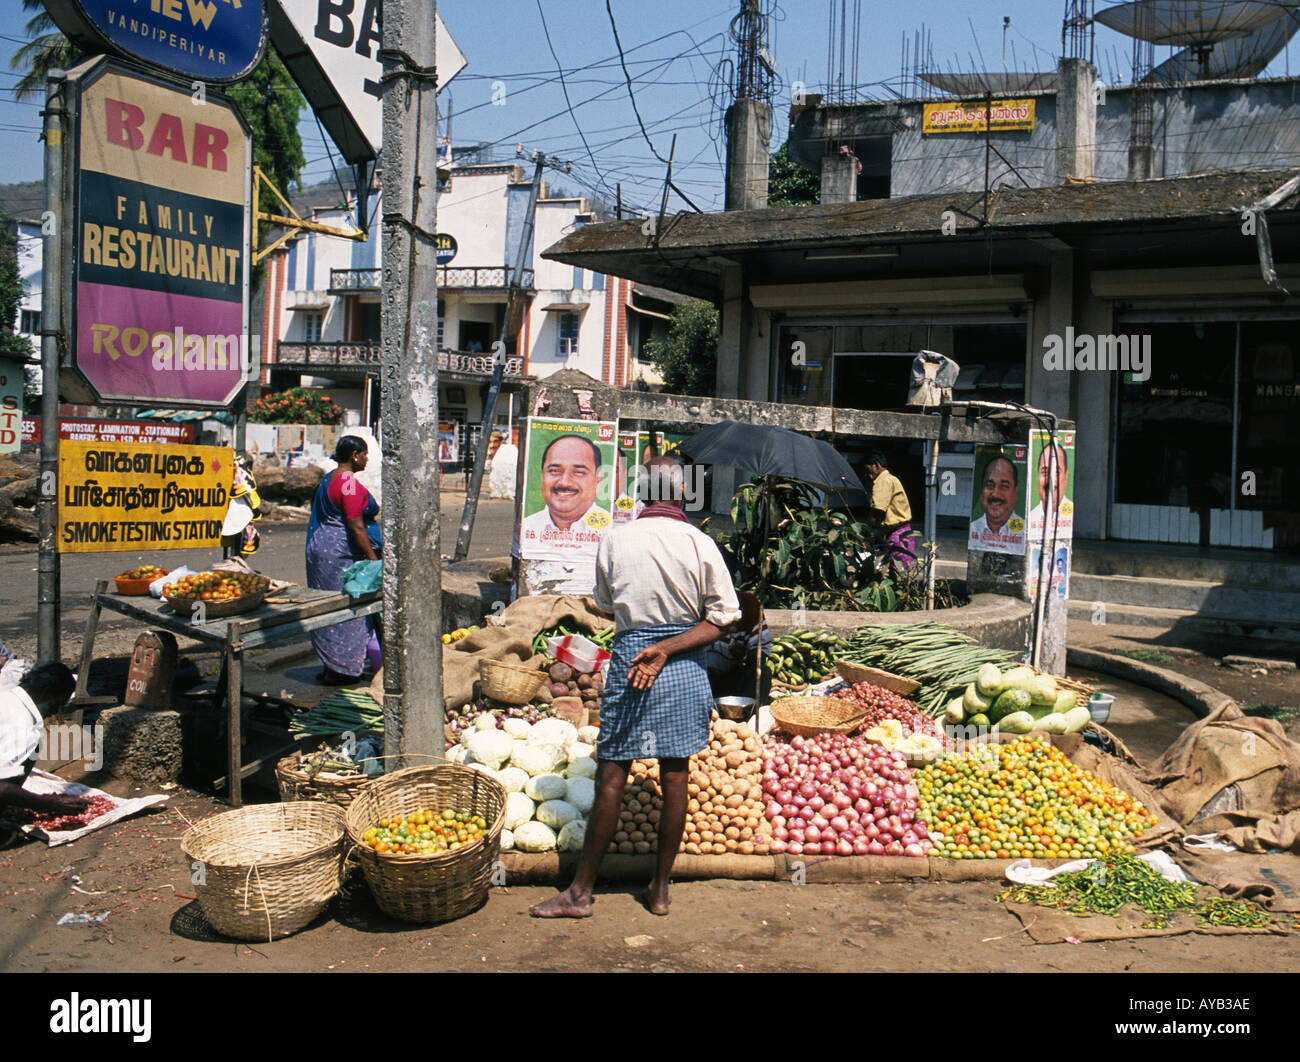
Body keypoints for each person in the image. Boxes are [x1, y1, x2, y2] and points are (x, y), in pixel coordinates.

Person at [530, 457, 741, 919]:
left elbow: (603, 602)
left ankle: (581, 892)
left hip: (630, 661)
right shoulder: (700, 542)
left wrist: (648, 638)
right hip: (684, 662)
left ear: (641, 491)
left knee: (612, 774)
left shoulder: (616, 539)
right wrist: (669, 646)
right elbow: (725, 616)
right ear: (683, 492)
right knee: (675, 775)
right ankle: (660, 890)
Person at [306, 436, 381, 686]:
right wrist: (372, 559)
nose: (367, 459)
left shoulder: (330, 477)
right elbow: (355, 525)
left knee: (327, 607)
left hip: (321, 548)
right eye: (365, 454)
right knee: (348, 609)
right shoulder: (347, 483)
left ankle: (331, 666)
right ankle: (343, 670)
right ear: (355, 455)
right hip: (340, 553)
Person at [0, 663, 91, 817]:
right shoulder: (24, 727)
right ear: (47, 694)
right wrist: (49, 804)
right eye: (58, 703)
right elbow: (2, 788)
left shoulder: (6, 696)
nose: (55, 711)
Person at [519, 434, 605, 546]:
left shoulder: (610, 532)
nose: (564, 482)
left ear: (598, 478)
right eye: (554, 471)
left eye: (578, 472)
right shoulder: (526, 527)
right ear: (542, 475)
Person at [864, 451, 916, 572]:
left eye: (868, 469)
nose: (867, 474)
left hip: (896, 535)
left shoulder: (883, 480)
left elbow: (878, 511)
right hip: (903, 533)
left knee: (897, 571)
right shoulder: (891, 479)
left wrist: (867, 532)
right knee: (905, 570)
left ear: (876, 465)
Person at [970, 455, 1024, 549]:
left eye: (1004, 486)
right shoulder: (973, 529)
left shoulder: (1024, 534)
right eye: (989, 485)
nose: (995, 494)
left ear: (1015, 492)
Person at [1028, 441, 1069, 533]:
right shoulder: (1030, 518)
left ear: (1066, 476)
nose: (1051, 480)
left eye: (1057, 472)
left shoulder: (1072, 517)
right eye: (1044, 472)